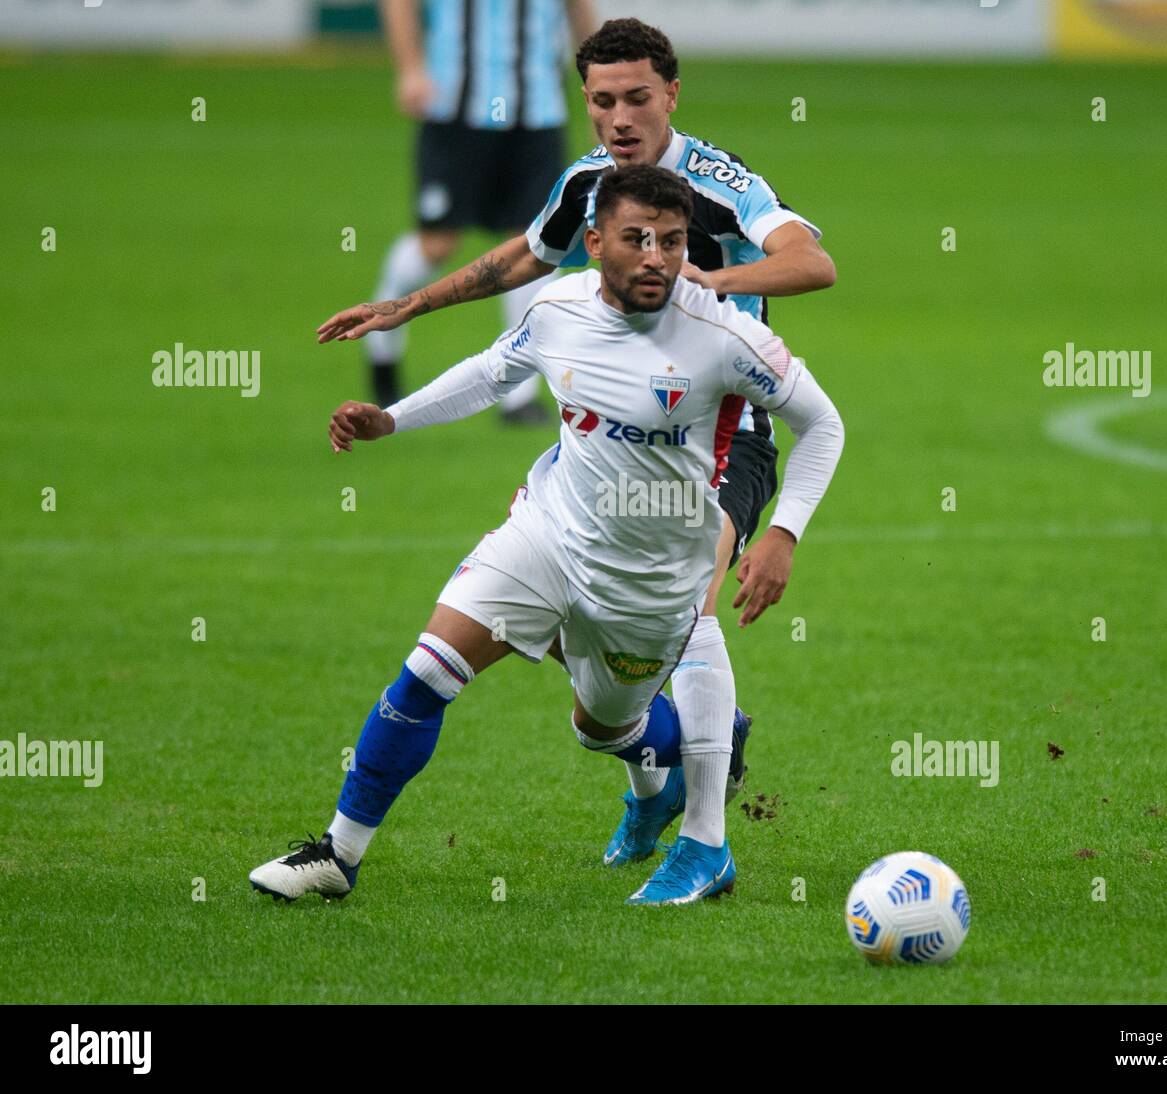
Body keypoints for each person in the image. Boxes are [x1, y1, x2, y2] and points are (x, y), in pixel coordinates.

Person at [318, 18, 837, 871]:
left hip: (721, 436)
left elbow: (811, 261)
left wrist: (714, 278)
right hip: (604, 441)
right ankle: (651, 771)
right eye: (602, 101)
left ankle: (707, 839)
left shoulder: (722, 184)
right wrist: (409, 308)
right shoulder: (589, 182)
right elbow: (527, 257)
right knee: (591, 688)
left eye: (638, 97)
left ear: (672, 94)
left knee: (695, 599)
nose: (620, 117)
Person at [366, 0, 599, 421]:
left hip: (537, 113)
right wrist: (410, 68)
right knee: (436, 244)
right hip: (455, 109)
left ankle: (520, 395)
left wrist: (598, 86)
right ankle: (381, 349)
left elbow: (578, 7)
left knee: (536, 242)